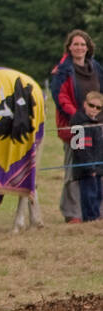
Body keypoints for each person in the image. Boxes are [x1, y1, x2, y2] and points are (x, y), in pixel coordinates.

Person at [50, 30, 103, 223]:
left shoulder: (95, 67)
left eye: (83, 44)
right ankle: (73, 212)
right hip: (74, 126)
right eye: (75, 44)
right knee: (75, 169)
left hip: (97, 125)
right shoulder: (63, 70)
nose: (79, 47)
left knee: (98, 168)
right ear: (69, 47)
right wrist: (77, 116)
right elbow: (59, 96)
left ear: (88, 47)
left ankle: (96, 211)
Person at [69, 91, 103, 223]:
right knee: (89, 196)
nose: (94, 109)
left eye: (98, 107)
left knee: (98, 195)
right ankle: (90, 220)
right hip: (87, 169)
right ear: (85, 104)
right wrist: (90, 167)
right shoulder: (81, 123)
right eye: (91, 105)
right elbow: (81, 149)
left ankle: (95, 218)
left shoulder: (95, 123)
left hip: (97, 167)